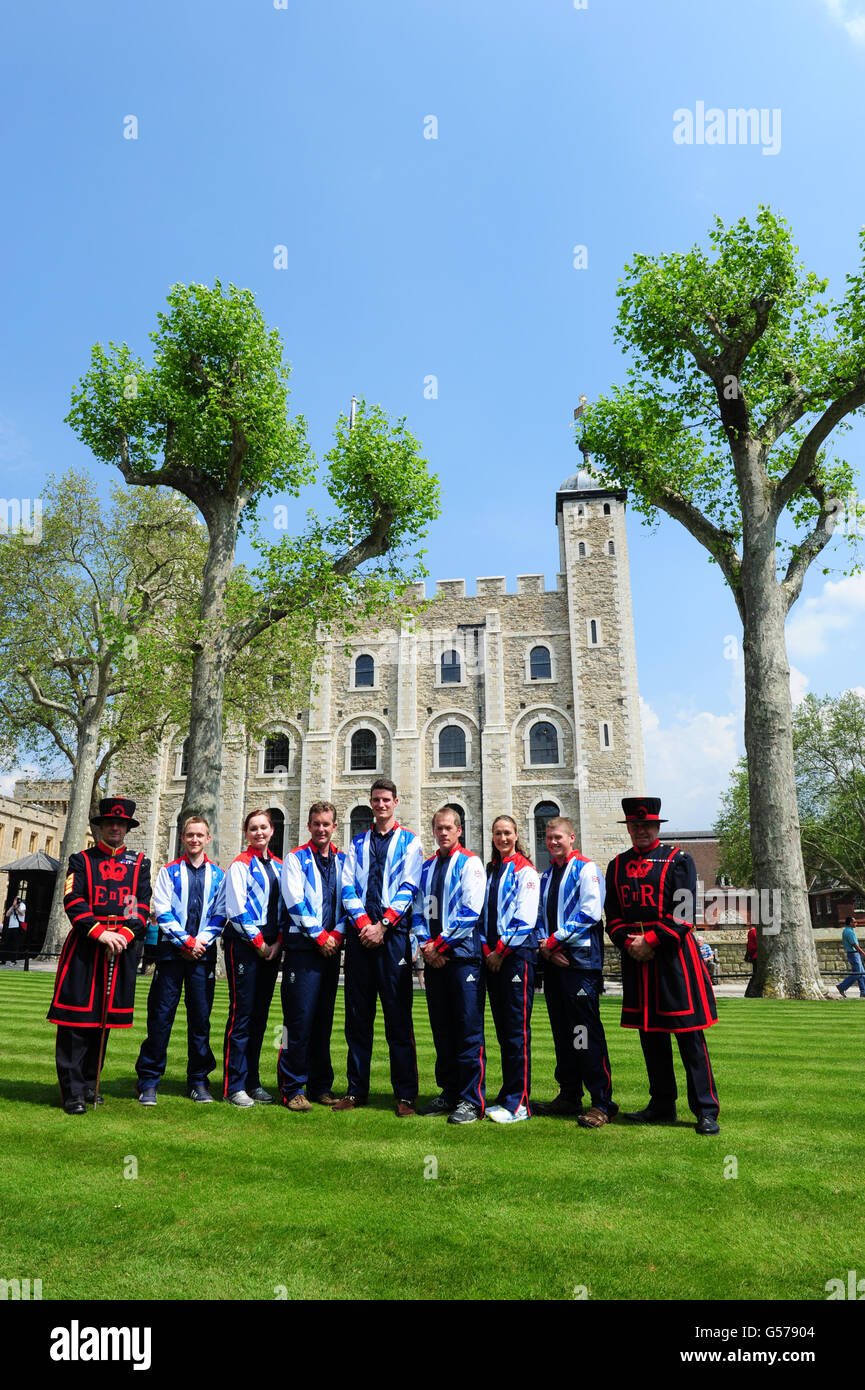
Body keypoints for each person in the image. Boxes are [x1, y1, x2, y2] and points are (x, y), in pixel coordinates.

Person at [605, 797, 720, 1136]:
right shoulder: (617, 865)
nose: (641, 830)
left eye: (647, 825)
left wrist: (650, 942)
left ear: (657, 827)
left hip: (673, 960)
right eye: (635, 825)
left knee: (689, 1037)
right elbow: (612, 916)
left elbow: (684, 915)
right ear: (629, 827)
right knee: (651, 1035)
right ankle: (661, 1105)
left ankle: (706, 1110)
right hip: (636, 960)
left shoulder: (679, 860)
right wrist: (629, 943)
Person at [47, 797, 151, 1115]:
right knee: (76, 1022)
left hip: (120, 950)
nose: (115, 828)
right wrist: (99, 932)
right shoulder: (81, 860)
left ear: (127, 829)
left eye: (121, 824)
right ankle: (72, 1092)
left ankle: (90, 1084)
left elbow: (142, 906)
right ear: (102, 827)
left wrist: (124, 935)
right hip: (85, 949)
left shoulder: (140, 863)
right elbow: (73, 899)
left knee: (101, 1024)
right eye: (110, 824)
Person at [336, 778, 423, 1116]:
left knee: (397, 1018)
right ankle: (356, 1090)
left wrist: (383, 925)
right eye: (376, 800)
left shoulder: (410, 843)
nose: (381, 805)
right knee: (358, 1019)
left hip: (393, 937)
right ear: (371, 803)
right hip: (361, 938)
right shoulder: (357, 843)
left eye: (386, 799)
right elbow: (347, 887)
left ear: (395, 802)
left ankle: (405, 1095)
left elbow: (409, 886)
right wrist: (363, 925)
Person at [134, 816, 226, 1105]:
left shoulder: (218, 875)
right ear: (183, 838)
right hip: (171, 955)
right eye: (190, 835)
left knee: (200, 1021)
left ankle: (198, 1080)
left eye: (200, 835)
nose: (195, 840)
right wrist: (186, 942)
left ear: (207, 838)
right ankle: (149, 1080)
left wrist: (200, 943)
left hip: (202, 955)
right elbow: (162, 910)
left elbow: (221, 913)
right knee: (160, 1018)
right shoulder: (169, 871)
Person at [535, 817, 617, 1129]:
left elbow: (590, 912)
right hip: (554, 963)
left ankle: (601, 1102)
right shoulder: (546, 876)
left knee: (585, 1033)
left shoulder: (586, 869)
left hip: (580, 963)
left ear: (572, 837)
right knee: (563, 1033)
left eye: (558, 837)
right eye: (548, 837)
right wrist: (546, 947)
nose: (553, 842)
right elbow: (541, 917)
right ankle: (569, 1094)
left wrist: (555, 941)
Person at [414, 806, 487, 1124]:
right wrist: (425, 946)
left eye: (448, 828)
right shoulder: (427, 868)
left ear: (459, 830)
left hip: (463, 959)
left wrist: (439, 946)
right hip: (434, 958)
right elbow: (417, 910)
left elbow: (470, 912)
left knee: (467, 1030)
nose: (443, 833)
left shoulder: (470, 863)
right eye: (438, 828)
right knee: (442, 1029)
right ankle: (449, 1091)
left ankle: (471, 1099)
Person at [277, 801, 347, 1110]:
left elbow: (349, 901)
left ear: (334, 827)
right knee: (298, 1019)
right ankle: (292, 1087)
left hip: (332, 948)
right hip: (304, 949)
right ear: (309, 826)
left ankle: (320, 1085)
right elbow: (295, 901)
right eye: (316, 823)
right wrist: (319, 936)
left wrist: (337, 935)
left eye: (326, 824)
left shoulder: (343, 861)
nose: (321, 828)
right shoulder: (295, 858)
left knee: (323, 1020)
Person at [222, 808, 285, 1106]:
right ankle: (234, 1085)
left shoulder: (281, 867)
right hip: (245, 944)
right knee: (242, 1014)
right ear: (246, 833)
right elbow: (236, 909)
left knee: (259, 1017)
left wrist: (277, 944)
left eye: (264, 827)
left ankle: (252, 1080)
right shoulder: (240, 865)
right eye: (253, 828)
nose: (259, 833)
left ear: (272, 830)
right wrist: (260, 943)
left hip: (271, 947)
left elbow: (285, 910)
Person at [481, 814, 540, 1124]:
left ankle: (520, 1103)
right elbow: (483, 915)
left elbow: (525, 919)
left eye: (507, 833)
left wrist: (500, 952)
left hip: (516, 958)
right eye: (497, 833)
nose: (502, 838)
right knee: (504, 1032)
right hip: (494, 957)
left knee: (517, 1031)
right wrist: (488, 950)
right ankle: (507, 1095)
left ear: (516, 836)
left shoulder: (525, 870)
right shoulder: (492, 871)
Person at [838, 916, 865, 998]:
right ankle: (842, 986)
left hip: (854, 954)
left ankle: (863, 992)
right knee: (857, 973)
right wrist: (863, 953)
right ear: (850, 923)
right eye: (855, 922)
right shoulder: (849, 932)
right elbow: (854, 944)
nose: (856, 923)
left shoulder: (847, 931)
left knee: (862, 974)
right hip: (853, 954)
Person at [1, 896, 26, 965]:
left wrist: (16, 907)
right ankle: (3, 960)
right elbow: (7, 914)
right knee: (6, 944)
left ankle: (13, 961)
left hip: (17, 927)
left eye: (17, 899)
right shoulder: (12, 906)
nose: (16, 900)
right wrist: (12, 906)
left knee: (15, 945)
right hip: (10, 927)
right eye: (15, 899)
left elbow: (22, 913)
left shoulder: (22, 905)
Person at [744, 924, 759, 996]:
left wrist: (748, 955)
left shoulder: (752, 932)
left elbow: (751, 946)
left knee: (755, 974)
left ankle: (750, 992)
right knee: (756, 974)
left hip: (755, 956)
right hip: (757, 955)